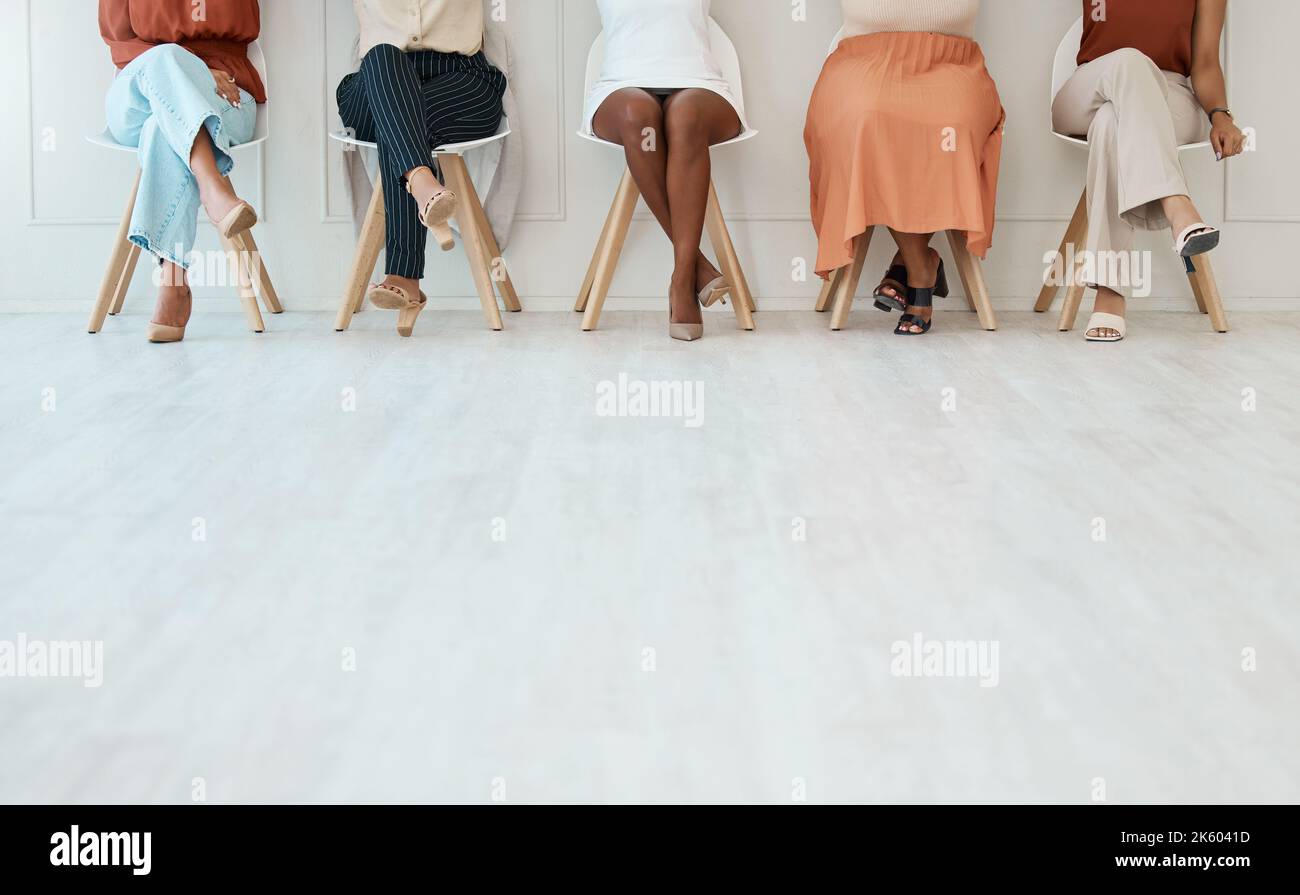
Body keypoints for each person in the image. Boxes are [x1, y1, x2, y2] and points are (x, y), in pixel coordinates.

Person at [805, 0, 1004, 336]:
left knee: (950, 127)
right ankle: (921, 269)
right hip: (864, 62)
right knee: (868, 119)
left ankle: (912, 265)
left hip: (952, 63)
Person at [1052, 0, 1245, 342]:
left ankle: (1110, 293)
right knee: (1128, 61)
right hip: (1091, 86)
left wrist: (1220, 114)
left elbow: (1204, 63)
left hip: (1169, 96)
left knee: (1112, 124)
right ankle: (1177, 206)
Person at [99, 0, 266, 343]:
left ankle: (173, 279)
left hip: (224, 93)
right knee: (164, 59)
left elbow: (244, 26)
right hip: (140, 88)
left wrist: (196, 74)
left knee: (161, 130)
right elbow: (119, 42)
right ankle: (212, 185)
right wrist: (185, 67)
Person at [338, 0, 507, 332]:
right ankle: (423, 184)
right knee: (384, 62)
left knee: (400, 121)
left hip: (461, 79)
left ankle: (404, 272)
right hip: (376, 82)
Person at [583, 0, 746, 341]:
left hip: (701, 86)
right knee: (637, 116)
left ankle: (682, 281)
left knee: (685, 118)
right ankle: (696, 268)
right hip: (621, 87)